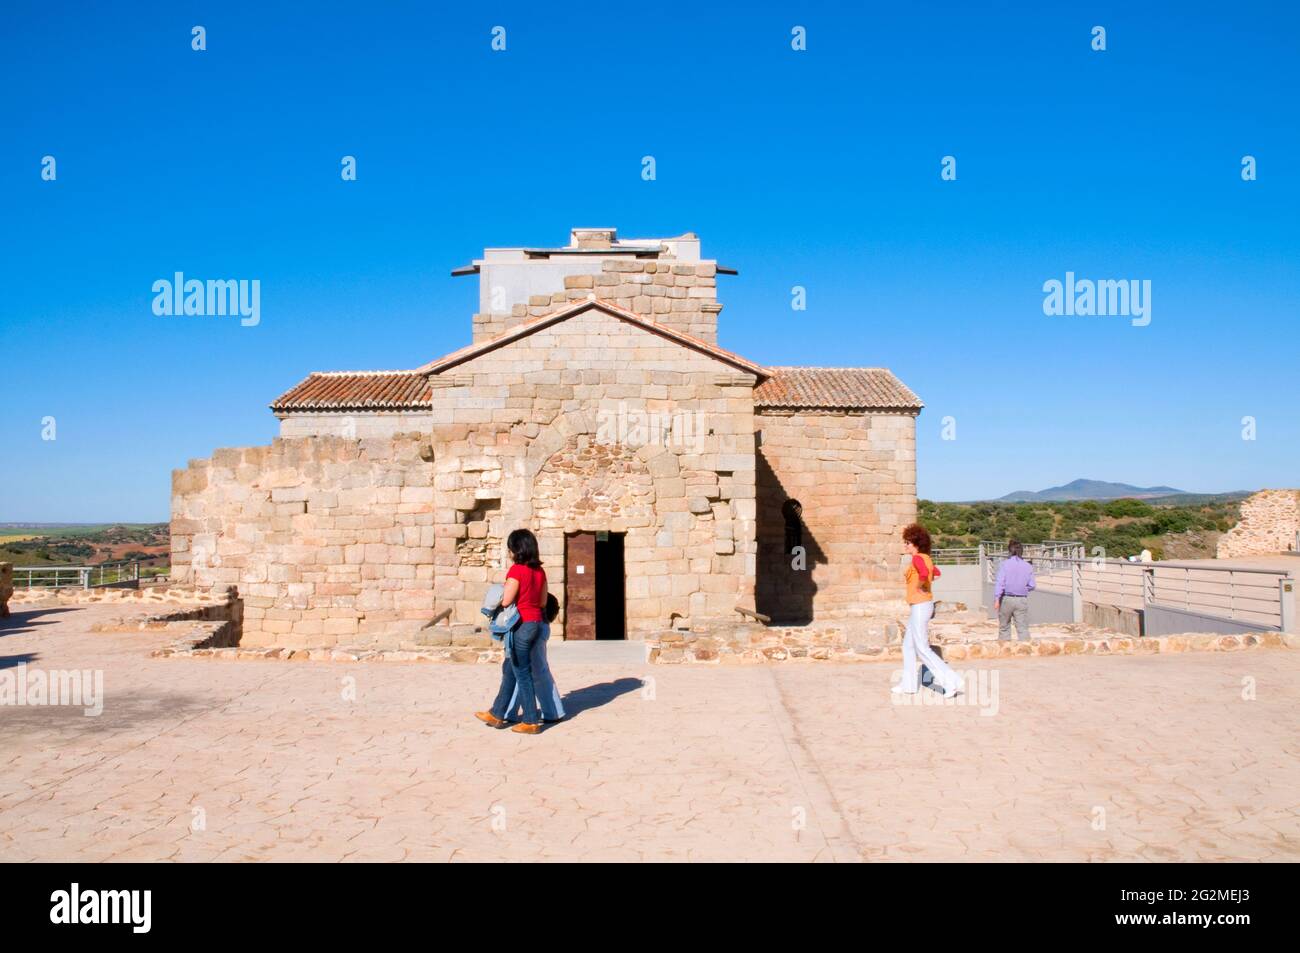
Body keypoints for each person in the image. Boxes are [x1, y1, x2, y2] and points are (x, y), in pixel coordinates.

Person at [475, 529, 548, 734]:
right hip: (535, 622)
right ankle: (497, 713)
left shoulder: (517, 570)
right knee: (510, 669)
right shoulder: (540, 572)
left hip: (520, 625)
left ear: (516, 549)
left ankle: (531, 720)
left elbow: (506, 600)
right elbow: (542, 601)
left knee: (522, 673)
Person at [894, 523, 963, 697]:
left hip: (919, 605)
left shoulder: (918, 558)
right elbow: (936, 573)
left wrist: (919, 586)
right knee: (907, 646)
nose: (905, 545)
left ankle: (951, 682)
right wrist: (925, 585)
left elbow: (925, 574)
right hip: (922, 604)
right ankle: (907, 685)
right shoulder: (926, 557)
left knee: (922, 648)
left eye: (908, 543)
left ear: (915, 543)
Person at [994, 539, 1036, 641]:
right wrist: (1022, 588)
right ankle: (1025, 649)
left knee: (1004, 627)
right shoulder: (1028, 566)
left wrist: (996, 599)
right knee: (1022, 627)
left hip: (1006, 599)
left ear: (1010, 550)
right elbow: (1032, 585)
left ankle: (1005, 648)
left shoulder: (1004, 564)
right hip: (1022, 599)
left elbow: (1000, 583)